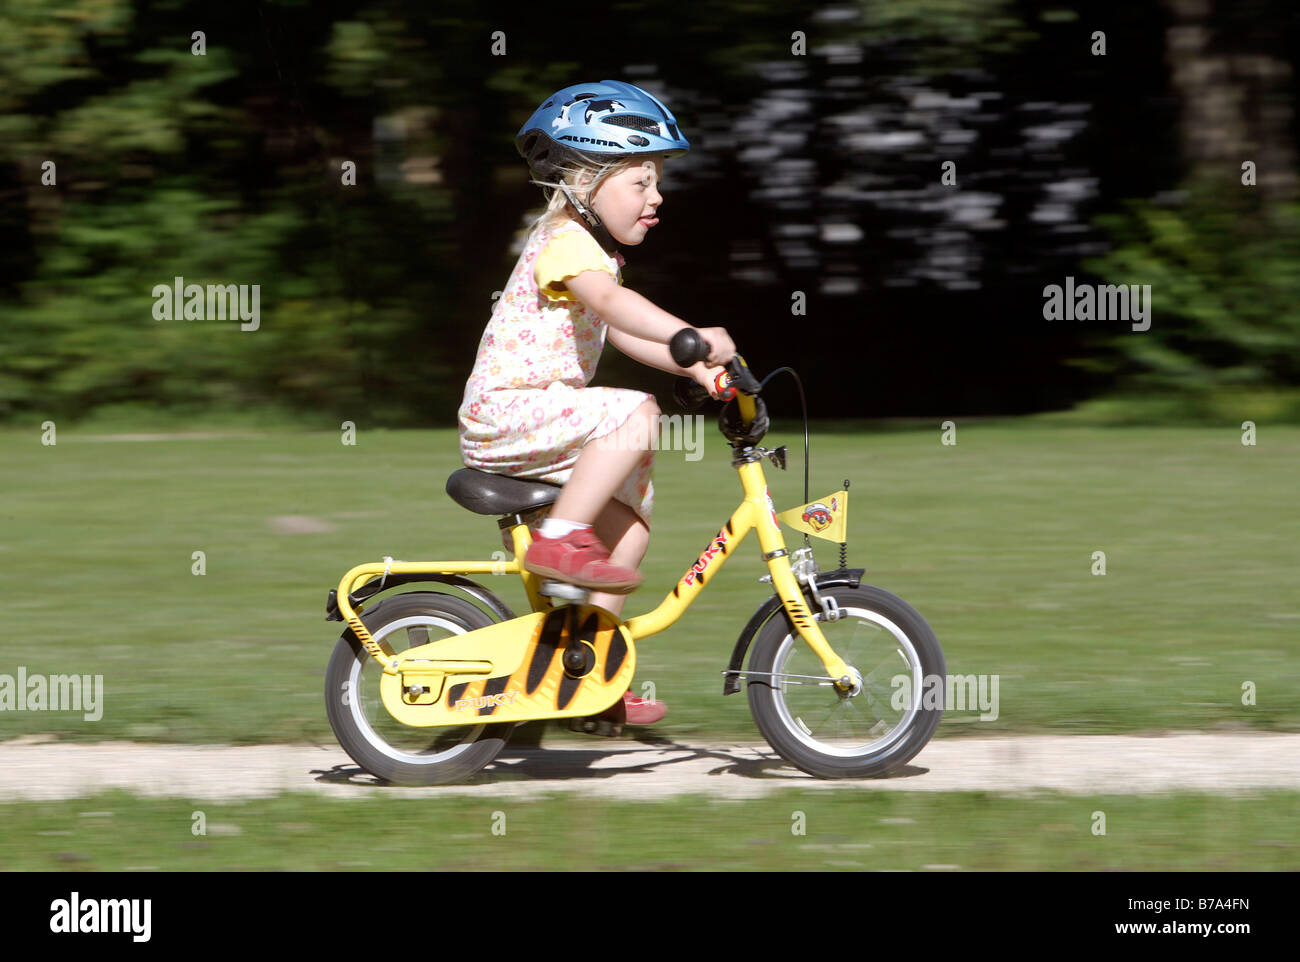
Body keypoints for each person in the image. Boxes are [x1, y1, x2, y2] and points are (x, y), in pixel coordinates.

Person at [457, 80, 735, 725]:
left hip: (537, 414)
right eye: (640, 181)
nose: (656, 196)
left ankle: (588, 678)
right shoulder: (565, 241)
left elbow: (621, 333)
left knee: (629, 533)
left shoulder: (589, 252)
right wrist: (689, 332)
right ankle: (560, 538)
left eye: (656, 181)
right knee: (636, 412)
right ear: (585, 178)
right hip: (505, 411)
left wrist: (696, 366)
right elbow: (616, 308)